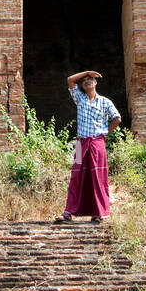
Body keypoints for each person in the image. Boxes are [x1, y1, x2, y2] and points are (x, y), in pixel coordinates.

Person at [55, 69, 121, 224]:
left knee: (98, 178)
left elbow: (117, 118)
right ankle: (68, 212)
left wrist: (105, 133)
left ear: (96, 82)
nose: (87, 80)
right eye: (84, 80)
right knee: (76, 177)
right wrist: (87, 72)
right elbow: (70, 80)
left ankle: (99, 213)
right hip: (80, 143)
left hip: (97, 142)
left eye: (90, 79)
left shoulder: (105, 102)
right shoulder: (80, 98)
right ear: (82, 85)